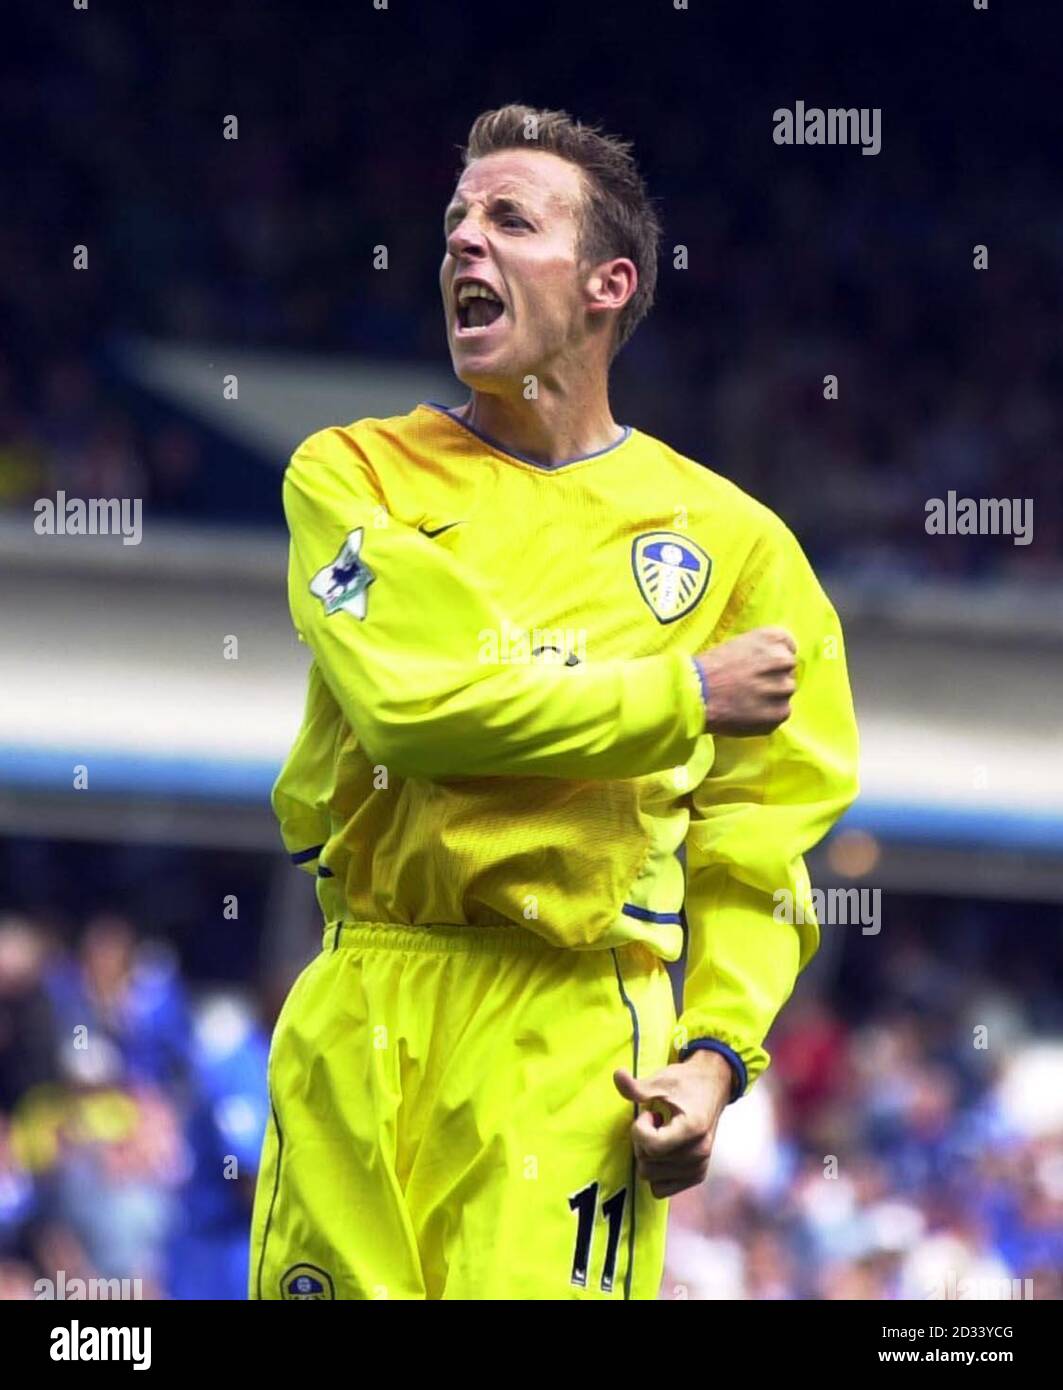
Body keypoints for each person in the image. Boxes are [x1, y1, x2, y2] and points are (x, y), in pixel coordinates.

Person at [249, 104, 859, 1301]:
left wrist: (718, 1054)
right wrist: (682, 693)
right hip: (369, 996)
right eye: (454, 223)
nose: (462, 244)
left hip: (581, 1032)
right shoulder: (351, 474)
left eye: (508, 221)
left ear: (605, 283)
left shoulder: (733, 545)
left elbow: (759, 846)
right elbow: (416, 706)